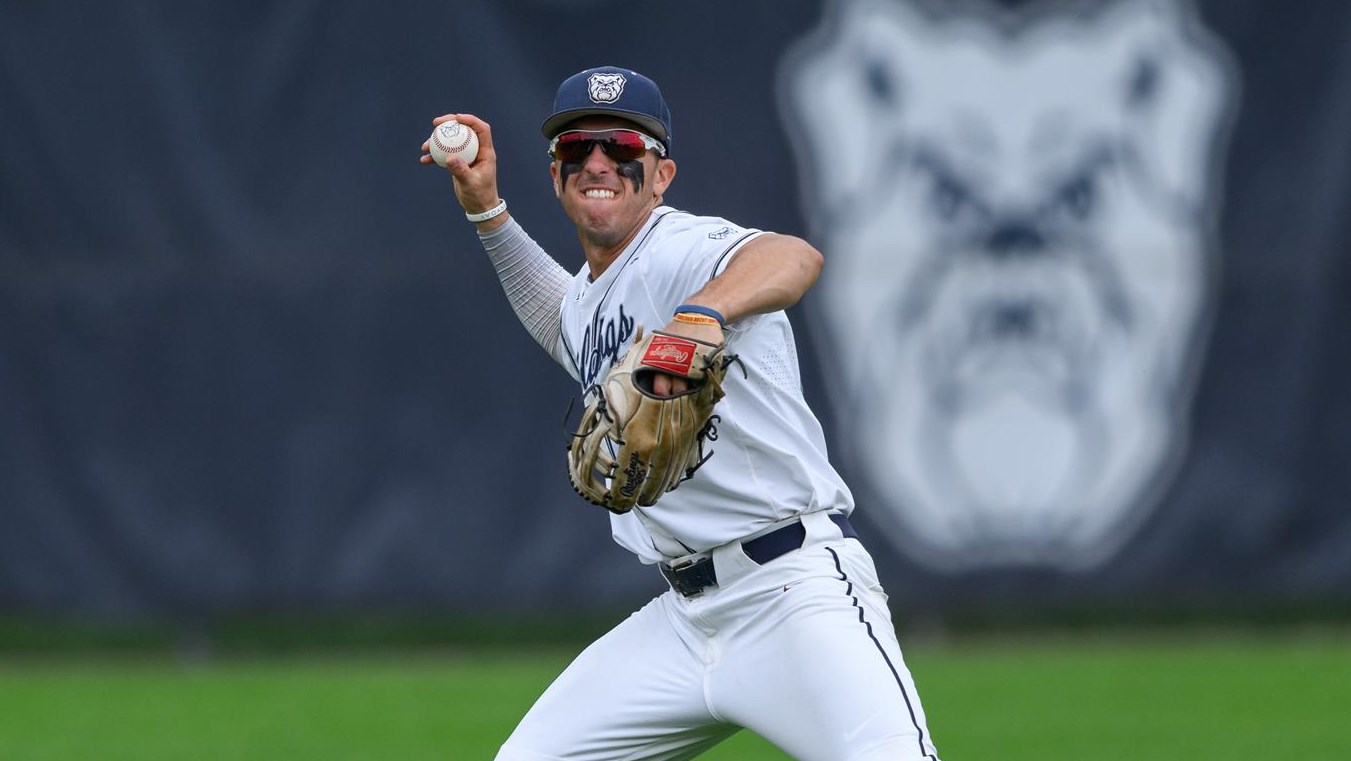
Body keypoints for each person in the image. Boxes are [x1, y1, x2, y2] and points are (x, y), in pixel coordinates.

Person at [423, 65, 941, 761]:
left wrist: (701, 314)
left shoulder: (678, 249)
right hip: (684, 619)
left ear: (660, 175)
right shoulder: (590, 293)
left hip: (792, 593)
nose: (597, 162)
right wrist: (486, 209)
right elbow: (562, 321)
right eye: (576, 150)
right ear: (555, 175)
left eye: (621, 148)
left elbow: (791, 256)